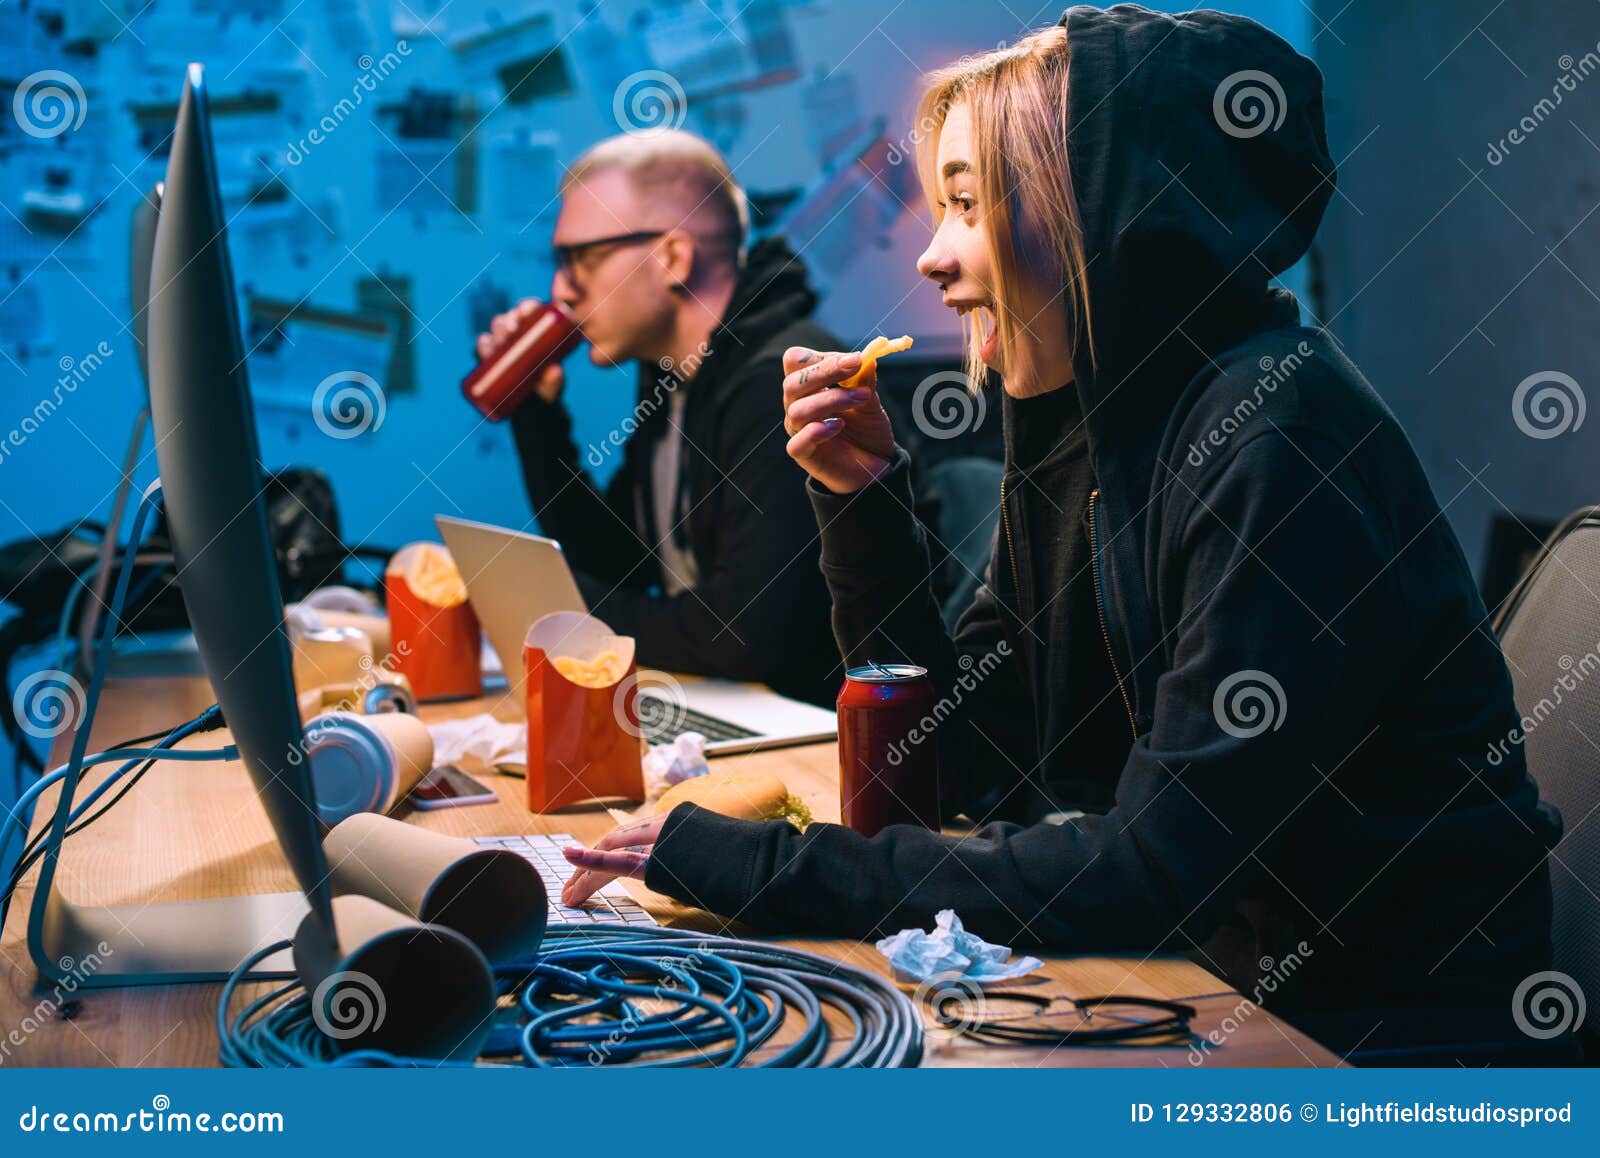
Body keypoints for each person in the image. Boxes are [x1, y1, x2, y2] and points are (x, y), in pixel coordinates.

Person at [563, 9, 1561, 1052]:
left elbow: (1154, 868)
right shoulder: (1079, 423)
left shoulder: (1279, 435)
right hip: (1200, 968)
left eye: (966, 206)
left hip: (1366, 1029)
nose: (935, 260)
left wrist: (758, 868)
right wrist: (862, 504)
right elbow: (959, 758)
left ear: (1103, 213)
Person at [478, 130, 840, 706]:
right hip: (731, 707)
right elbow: (615, 560)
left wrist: (563, 611)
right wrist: (535, 415)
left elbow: (743, 635)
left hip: (819, 738)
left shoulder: (783, 384)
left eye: (581, 259)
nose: (560, 290)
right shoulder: (672, 379)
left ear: (672, 256)